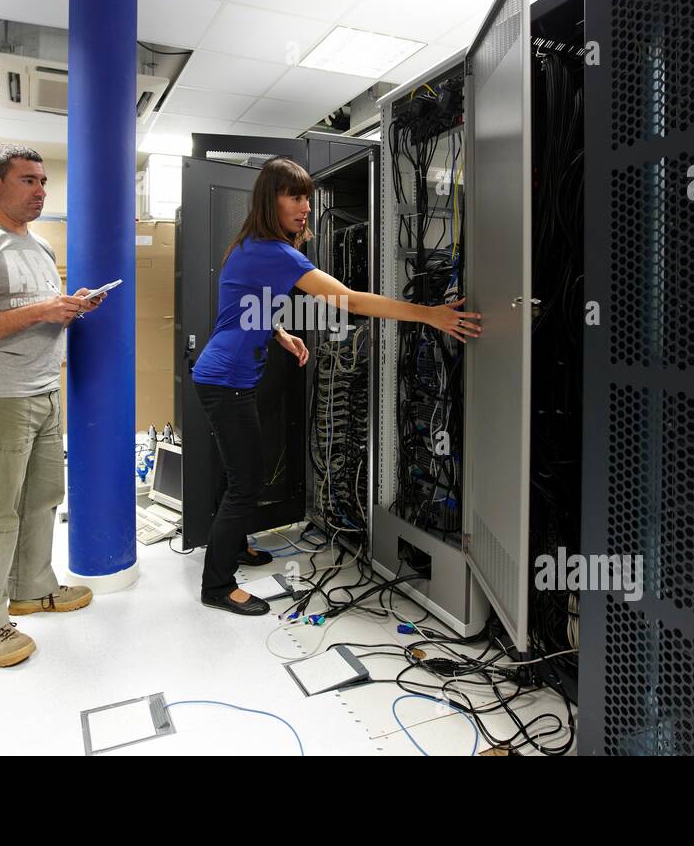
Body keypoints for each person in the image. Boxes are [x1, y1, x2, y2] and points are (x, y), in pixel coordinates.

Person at [190, 156, 482, 615]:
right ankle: (217, 585)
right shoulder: (276, 252)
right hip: (226, 380)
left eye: (307, 196)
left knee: (237, 470)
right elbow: (347, 299)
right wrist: (429, 314)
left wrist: (281, 334)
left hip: (224, 373)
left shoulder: (248, 244)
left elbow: (243, 306)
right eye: (294, 196)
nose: (304, 206)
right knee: (246, 481)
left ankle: (235, 545)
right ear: (272, 199)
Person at [0, 143, 107, 666]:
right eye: (29, 181)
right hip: (1, 395)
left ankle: (32, 588)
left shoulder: (35, 246)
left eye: (43, 182)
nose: (40, 190)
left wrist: (66, 307)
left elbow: (28, 314)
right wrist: (41, 310)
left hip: (44, 390)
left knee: (42, 499)